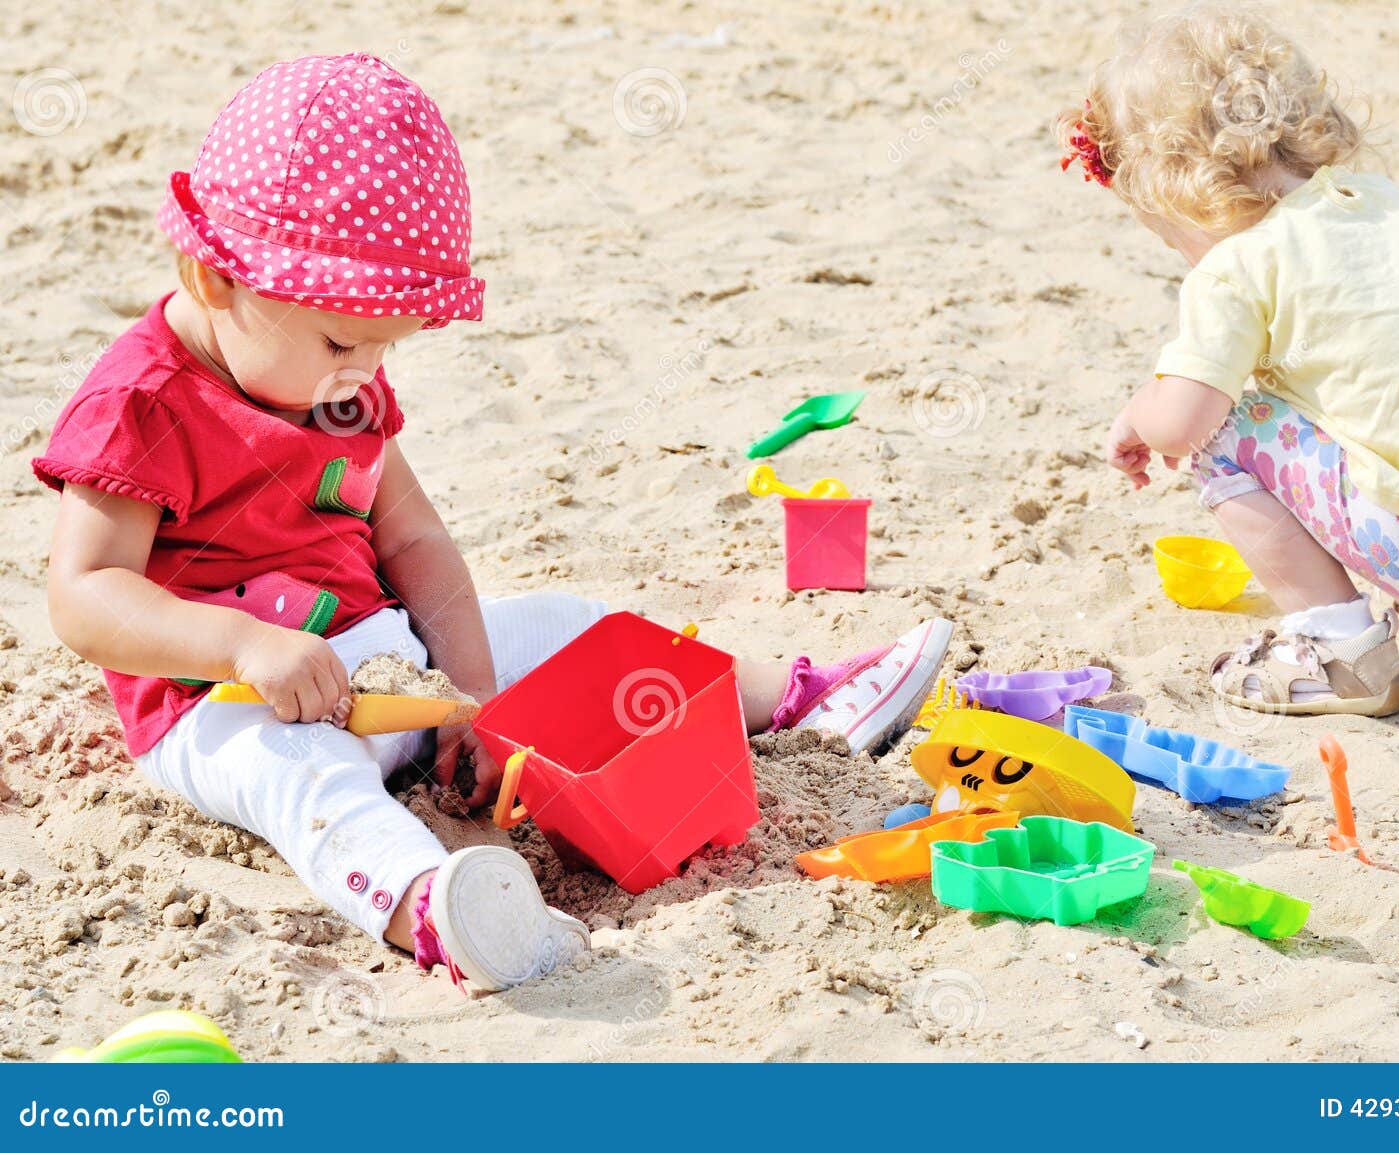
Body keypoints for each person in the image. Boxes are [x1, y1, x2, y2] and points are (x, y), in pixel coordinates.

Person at [33, 54, 951, 992]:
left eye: (387, 345)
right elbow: (84, 594)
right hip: (229, 703)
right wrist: (241, 646)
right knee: (306, 779)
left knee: (569, 625)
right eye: (344, 342)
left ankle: (791, 696)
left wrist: (474, 697)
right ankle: (437, 908)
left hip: (389, 666)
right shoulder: (139, 404)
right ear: (213, 276)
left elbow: (414, 540)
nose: (363, 373)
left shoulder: (335, 384)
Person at [1064, 3, 1399, 716]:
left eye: (1166, 235)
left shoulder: (1236, 267)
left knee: (1231, 431)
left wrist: (1141, 410)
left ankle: (1342, 649)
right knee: (1377, 394)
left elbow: (1183, 422)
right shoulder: (1383, 204)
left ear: (1176, 188)